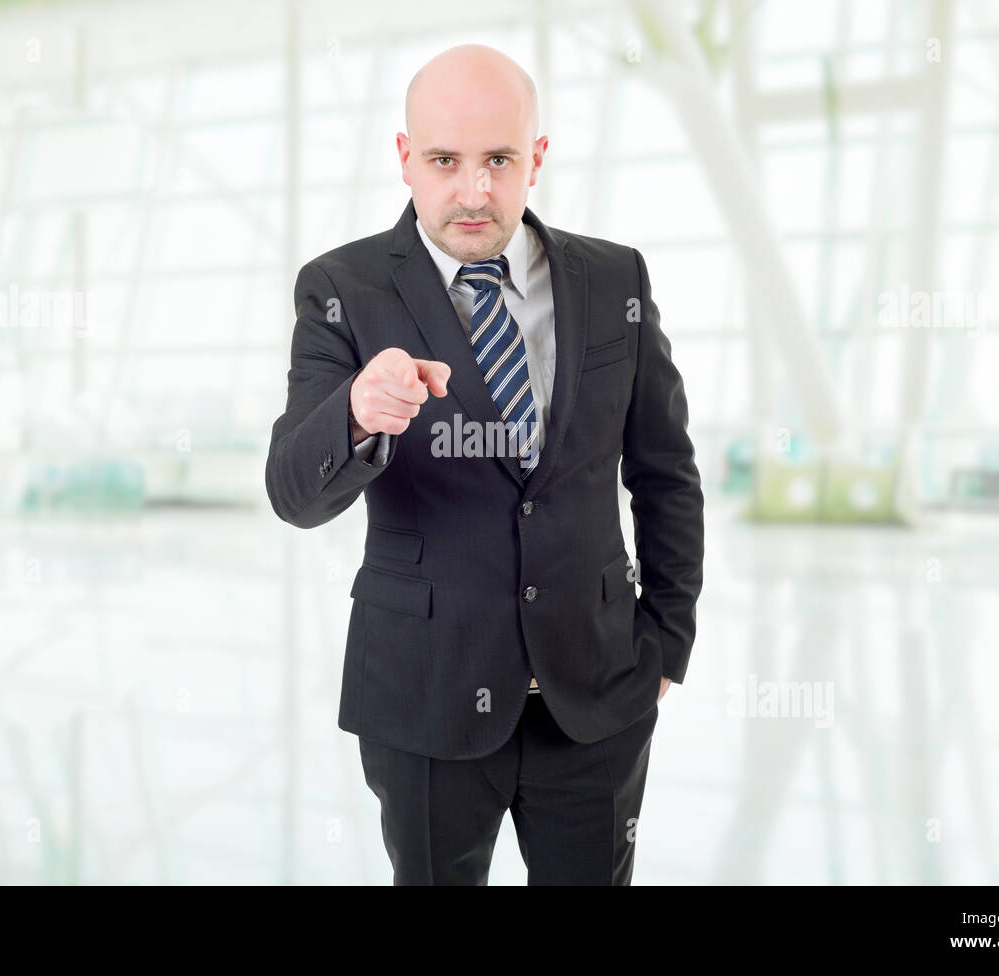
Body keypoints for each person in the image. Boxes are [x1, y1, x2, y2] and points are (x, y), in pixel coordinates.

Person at [265, 43, 704, 884]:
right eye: (444, 161)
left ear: (535, 157)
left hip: (598, 696)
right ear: (405, 160)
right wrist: (356, 412)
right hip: (426, 697)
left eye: (499, 159)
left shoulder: (615, 277)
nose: (473, 191)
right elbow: (293, 491)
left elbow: (666, 475)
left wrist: (665, 643)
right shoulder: (342, 288)